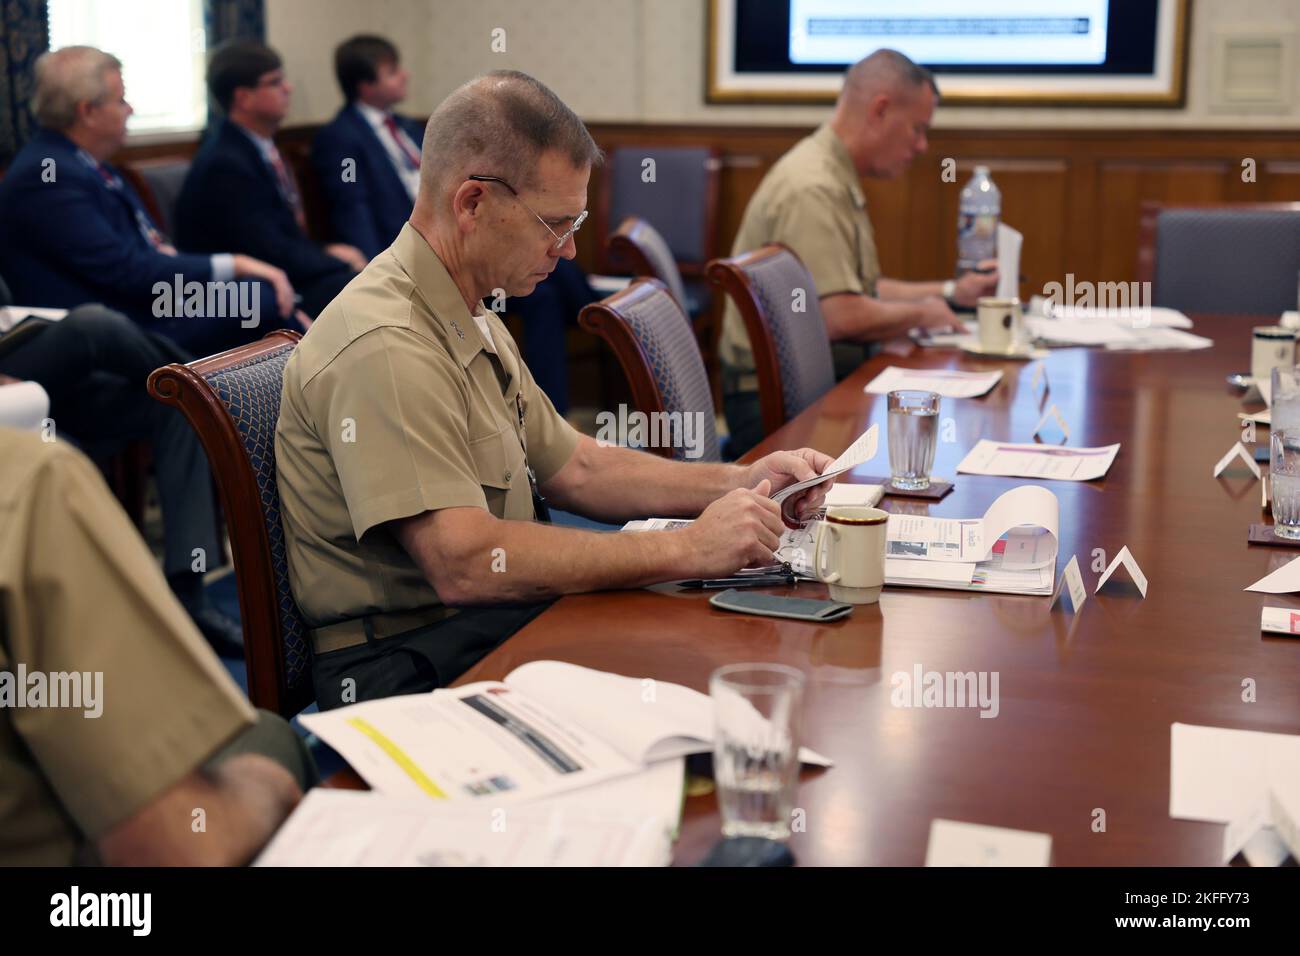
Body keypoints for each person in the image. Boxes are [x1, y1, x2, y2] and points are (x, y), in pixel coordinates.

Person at [276, 70, 832, 710]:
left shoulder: (467, 307)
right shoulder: (387, 342)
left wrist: (744, 482)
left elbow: (579, 467)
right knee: (715, 675)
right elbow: (464, 561)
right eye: (555, 223)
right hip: (416, 667)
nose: (568, 251)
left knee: (725, 653)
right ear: (473, 203)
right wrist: (685, 546)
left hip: (485, 625)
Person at [0, 426, 317, 865]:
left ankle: (186, 591)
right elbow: (177, 849)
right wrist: (275, 789)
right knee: (269, 736)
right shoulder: (30, 480)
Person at [719, 48, 999, 454]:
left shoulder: (832, 172)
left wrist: (952, 293)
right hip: (776, 411)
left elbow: (860, 290)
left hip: (809, 387)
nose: (922, 146)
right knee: (938, 444)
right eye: (918, 129)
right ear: (880, 109)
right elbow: (839, 315)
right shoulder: (813, 188)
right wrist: (924, 312)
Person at [0, 46, 301, 358]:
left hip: (148, 300)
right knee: (258, 298)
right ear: (87, 111)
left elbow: (147, 250)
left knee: (260, 296)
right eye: (120, 100)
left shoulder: (83, 162)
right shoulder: (46, 175)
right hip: (119, 323)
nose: (130, 109)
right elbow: (124, 271)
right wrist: (235, 264)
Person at [0, 285, 244, 657]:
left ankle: (189, 595)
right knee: (93, 322)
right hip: (17, 368)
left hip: (26, 351)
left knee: (174, 406)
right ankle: (218, 395)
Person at [175, 40, 362, 319]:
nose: (288, 88)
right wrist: (335, 262)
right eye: (275, 82)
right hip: (237, 298)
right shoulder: (226, 163)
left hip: (279, 275)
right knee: (359, 290)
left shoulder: (261, 148)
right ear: (243, 98)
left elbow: (282, 237)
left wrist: (328, 253)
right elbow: (269, 249)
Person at [312, 35, 425, 261]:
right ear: (366, 86)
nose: (405, 76)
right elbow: (352, 207)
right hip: (399, 248)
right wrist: (375, 269)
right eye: (392, 72)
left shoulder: (408, 126)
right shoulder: (340, 138)